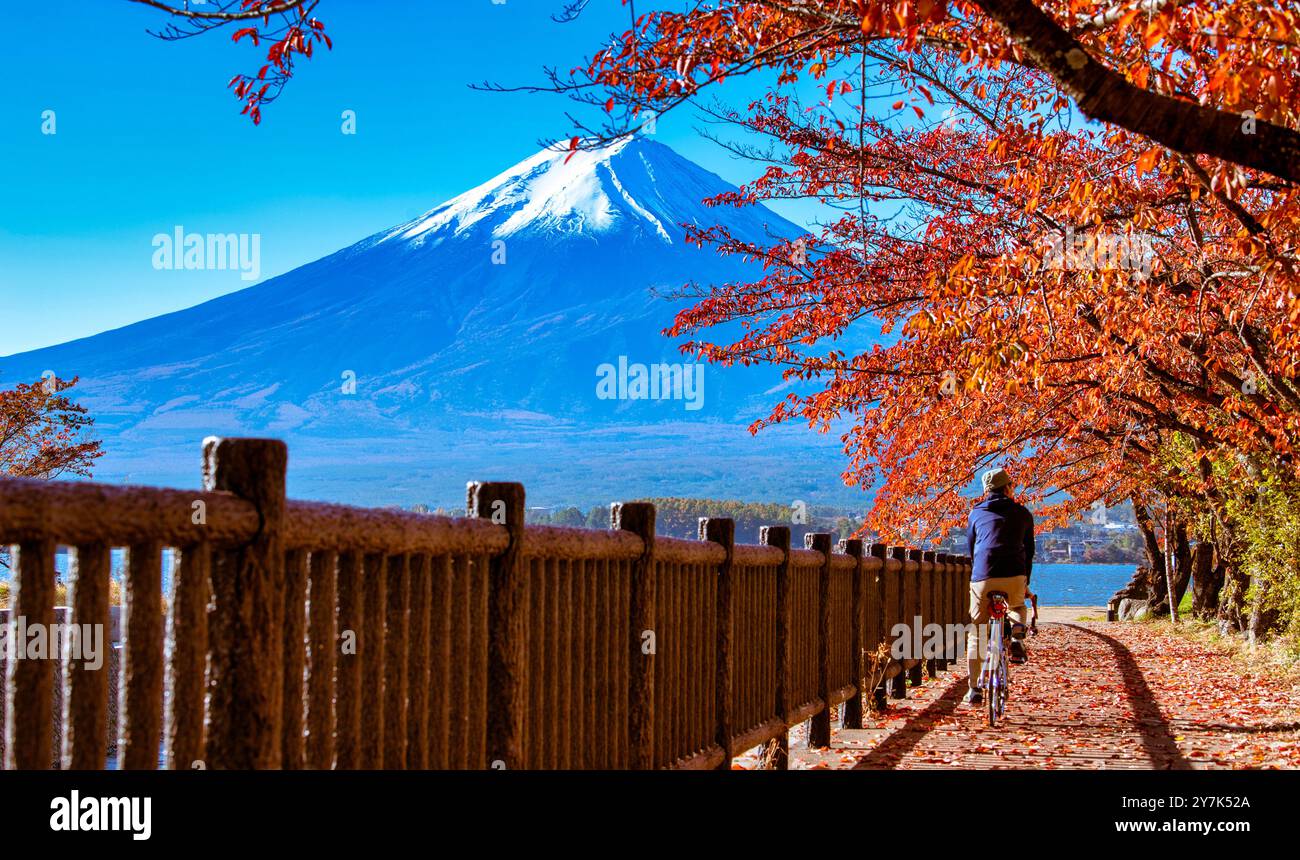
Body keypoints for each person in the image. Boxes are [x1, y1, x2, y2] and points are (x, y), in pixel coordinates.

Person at [963, 468, 1035, 706]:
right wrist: (1025, 584)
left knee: (977, 631)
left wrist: (979, 575)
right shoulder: (1023, 513)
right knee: (1016, 606)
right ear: (1007, 488)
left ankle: (974, 689)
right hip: (1015, 572)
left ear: (986, 491)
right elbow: (1029, 552)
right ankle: (1017, 634)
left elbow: (972, 548)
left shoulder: (975, 513)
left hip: (983, 574)